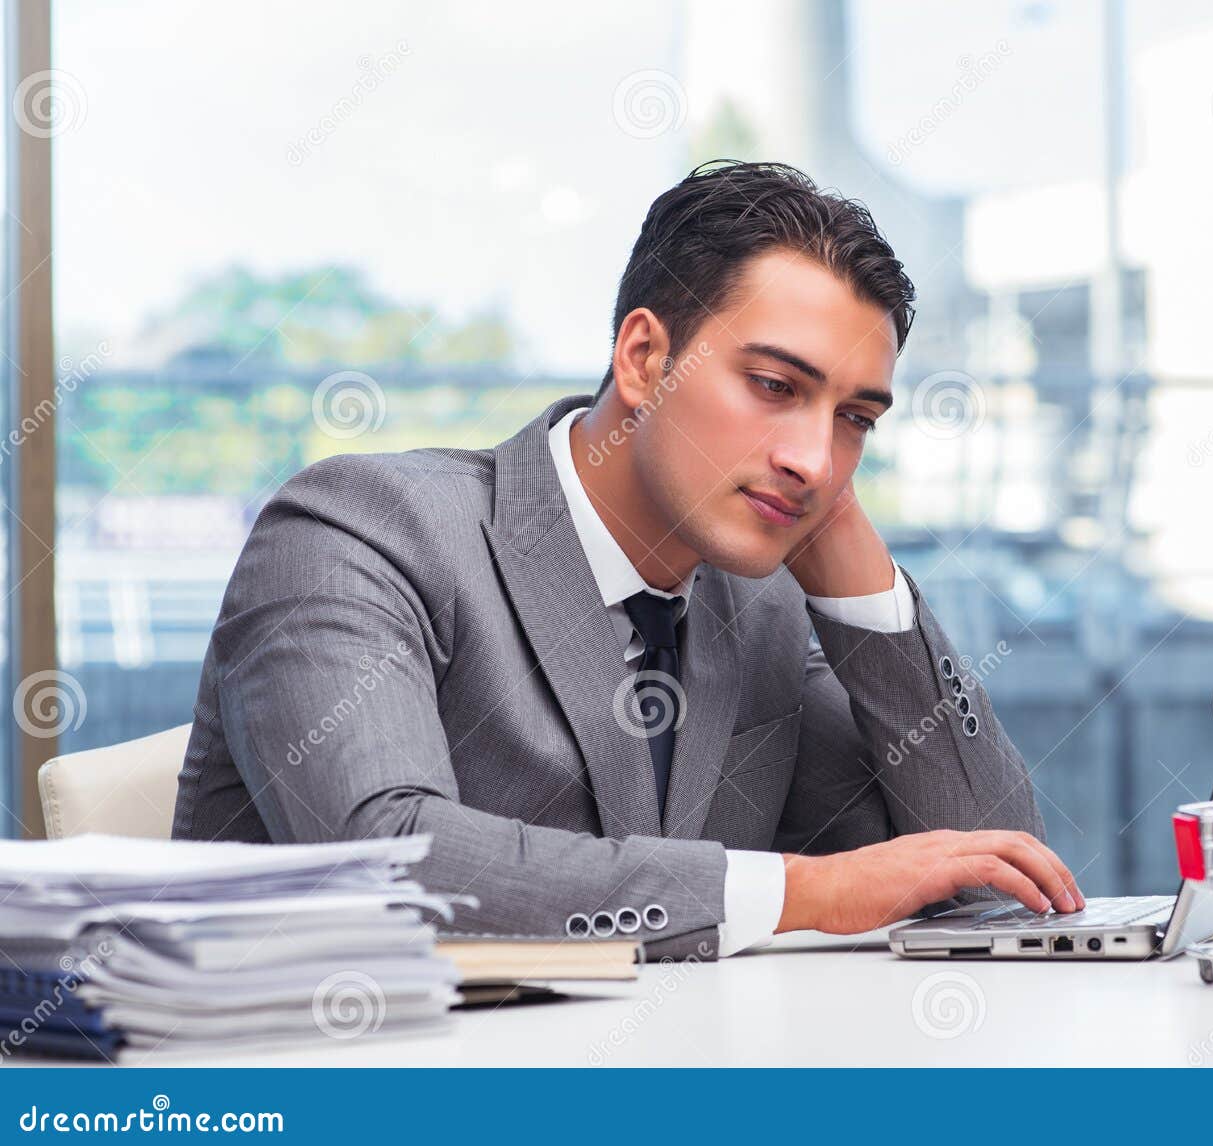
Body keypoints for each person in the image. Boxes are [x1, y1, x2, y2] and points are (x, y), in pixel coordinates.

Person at [173, 160, 1084, 961]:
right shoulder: (361, 531)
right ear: (646, 359)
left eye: (855, 419)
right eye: (775, 387)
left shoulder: (755, 609)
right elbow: (388, 862)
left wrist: (865, 595)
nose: (814, 460)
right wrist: (799, 893)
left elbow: (992, 880)